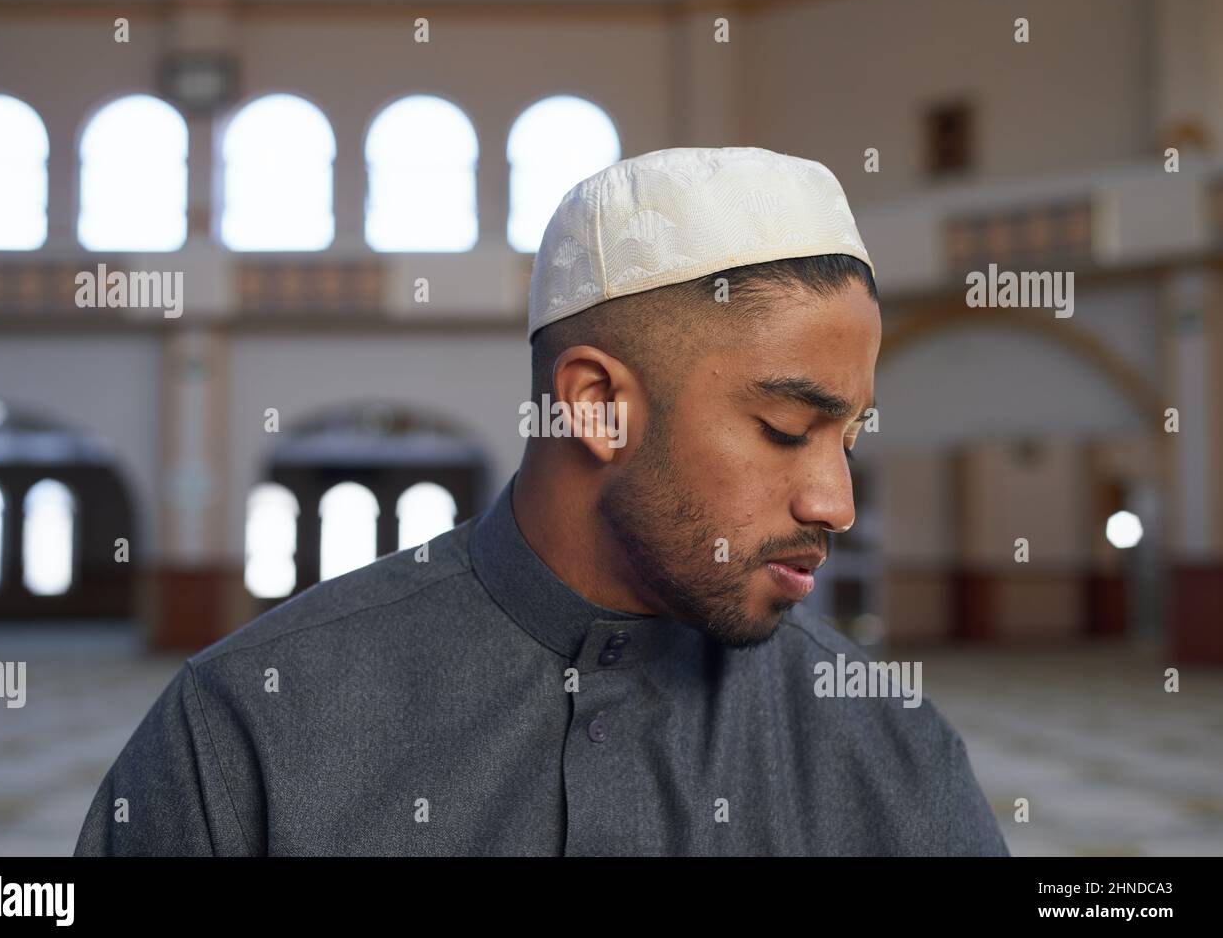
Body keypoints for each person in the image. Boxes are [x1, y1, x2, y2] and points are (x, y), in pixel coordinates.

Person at [75, 146, 1008, 856]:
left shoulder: (889, 743)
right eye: (782, 427)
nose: (836, 503)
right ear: (596, 404)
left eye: (848, 438)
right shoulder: (248, 727)